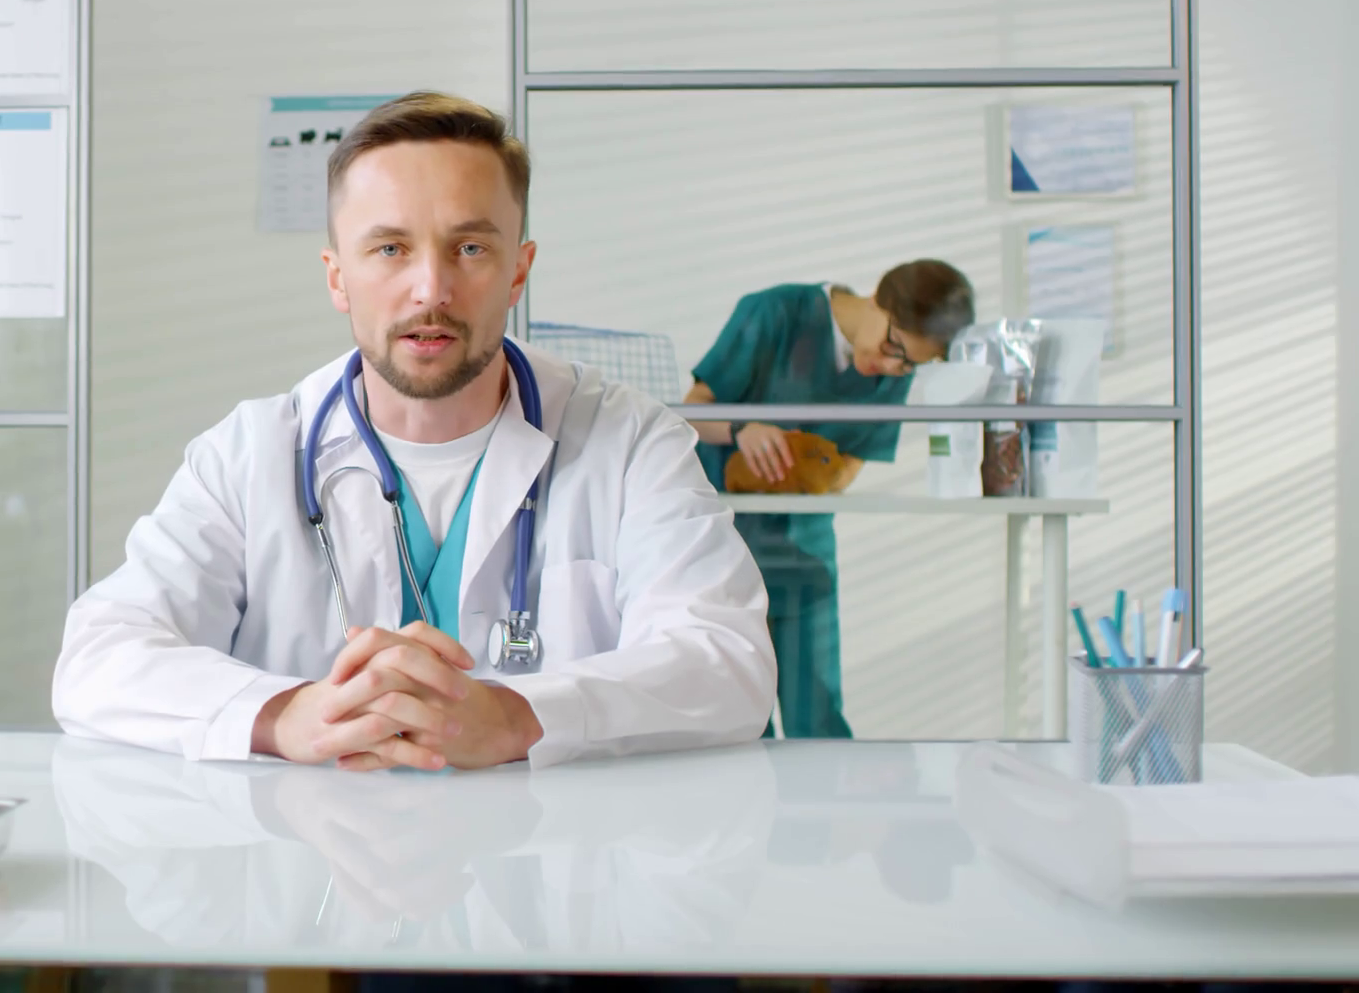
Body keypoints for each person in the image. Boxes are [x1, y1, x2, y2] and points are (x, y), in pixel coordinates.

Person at [53, 91, 775, 770]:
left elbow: (728, 660)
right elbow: (98, 656)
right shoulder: (250, 454)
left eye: (469, 248)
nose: (431, 289)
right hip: (312, 879)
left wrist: (522, 715)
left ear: (518, 271)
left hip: (554, 875)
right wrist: (283, 714)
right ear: (338, 277)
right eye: (390, 249)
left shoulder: (630, 443)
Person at [682, 265, 974, 739]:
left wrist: (812, 467)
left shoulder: (893, 373)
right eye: (893, 347)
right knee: (736, 722)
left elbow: (847, 467)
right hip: (725, 551)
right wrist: (742, 428)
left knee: (816, 722)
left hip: (805, 553)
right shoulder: (776, 312)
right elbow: (692, 410)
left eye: (910, 365)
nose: (891, 367)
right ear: (881, 300)